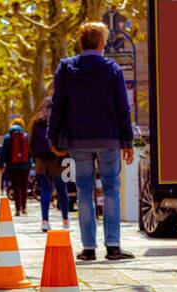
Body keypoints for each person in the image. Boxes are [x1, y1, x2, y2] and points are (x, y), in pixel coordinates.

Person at [50, 20, 135, 261]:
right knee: (111, 189)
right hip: (108, 138)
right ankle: (113, 246)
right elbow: (123, 108)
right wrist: (127, 141)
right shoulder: (111, 69)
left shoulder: (66, 69)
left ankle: (88, 248)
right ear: (101, 43)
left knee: (84, 191)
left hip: (78, 140)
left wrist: (53, 137)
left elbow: (58, 106)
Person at [31, 97, 70, 232]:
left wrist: (34, 158)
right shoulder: (60, 119)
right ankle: (65, 220)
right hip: (60, 157)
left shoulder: (37, 122)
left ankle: (45, 221)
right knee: (61, 189)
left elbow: (32, 143)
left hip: (41, 160)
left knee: (45, 190)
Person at [1, 120, 32, 216]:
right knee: (24, 187)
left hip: (12, 166)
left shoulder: (7, 137)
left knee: (16, 187)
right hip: (25, 166)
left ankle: (18, 209)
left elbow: (4, 153)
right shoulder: (27, 136)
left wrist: (2, 164)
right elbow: (30, 151)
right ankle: (24, 208)